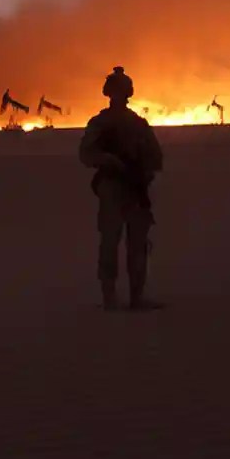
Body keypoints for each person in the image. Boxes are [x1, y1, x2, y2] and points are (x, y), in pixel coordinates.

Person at [79, 66, 164, 311]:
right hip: (113, 188)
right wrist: (109, 161)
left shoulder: (137, 124)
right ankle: (111, 298)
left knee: (136, 244)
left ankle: (134, 297)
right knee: (111, 241)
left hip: (134, 189)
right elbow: (86, 154)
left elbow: (155, 157)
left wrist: (143, 175)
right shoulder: (102, 123)